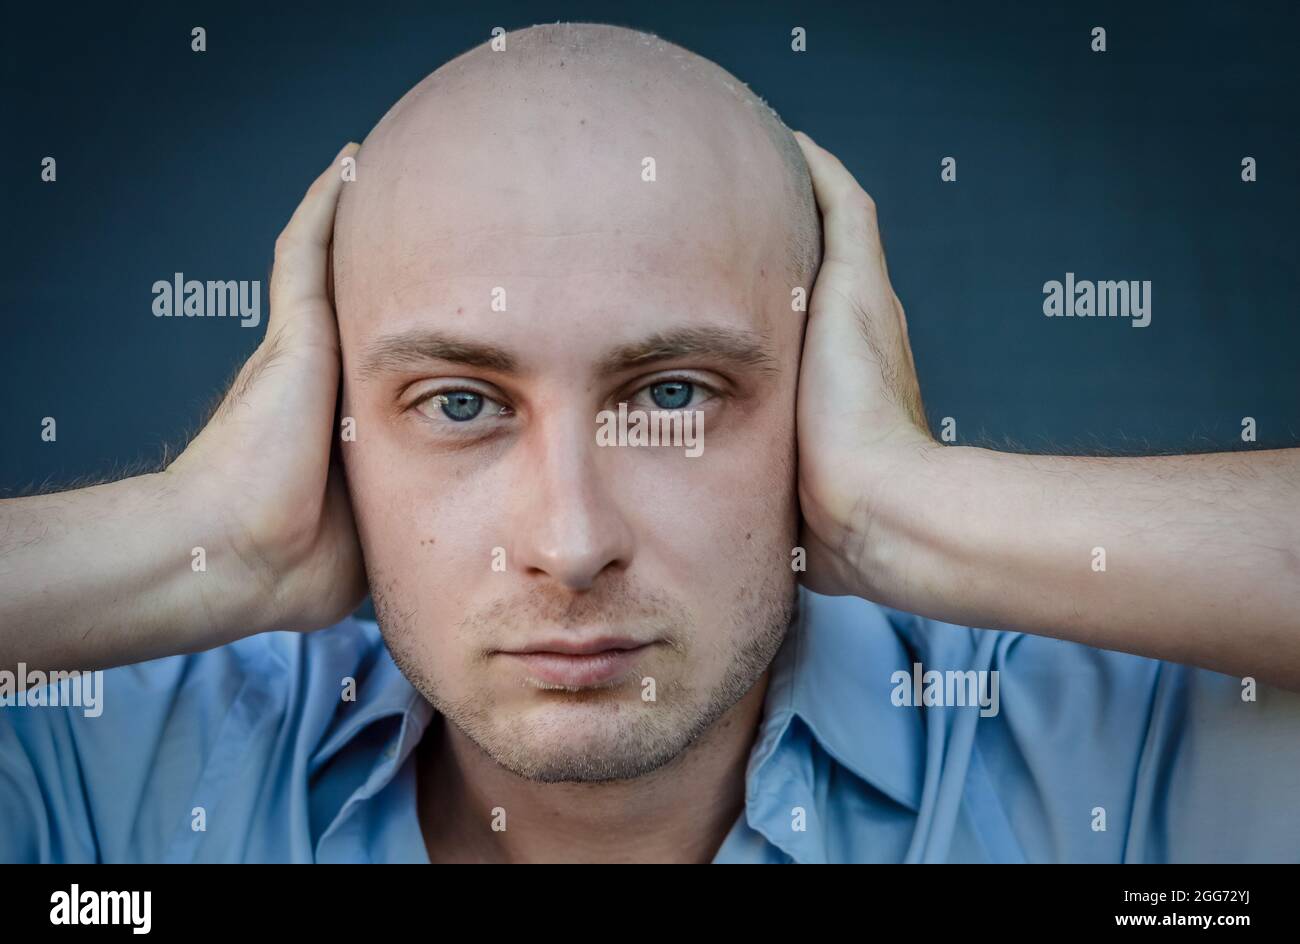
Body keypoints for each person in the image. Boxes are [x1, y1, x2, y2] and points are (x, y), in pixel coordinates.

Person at [2, 23, 1298, 863]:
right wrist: (210, 535)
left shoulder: (1088, 754)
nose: (571, 542)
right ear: (334, 419)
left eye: (673, 396)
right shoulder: (112, 765)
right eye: (460, 401)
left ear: (816, 394)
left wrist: (900, 504)